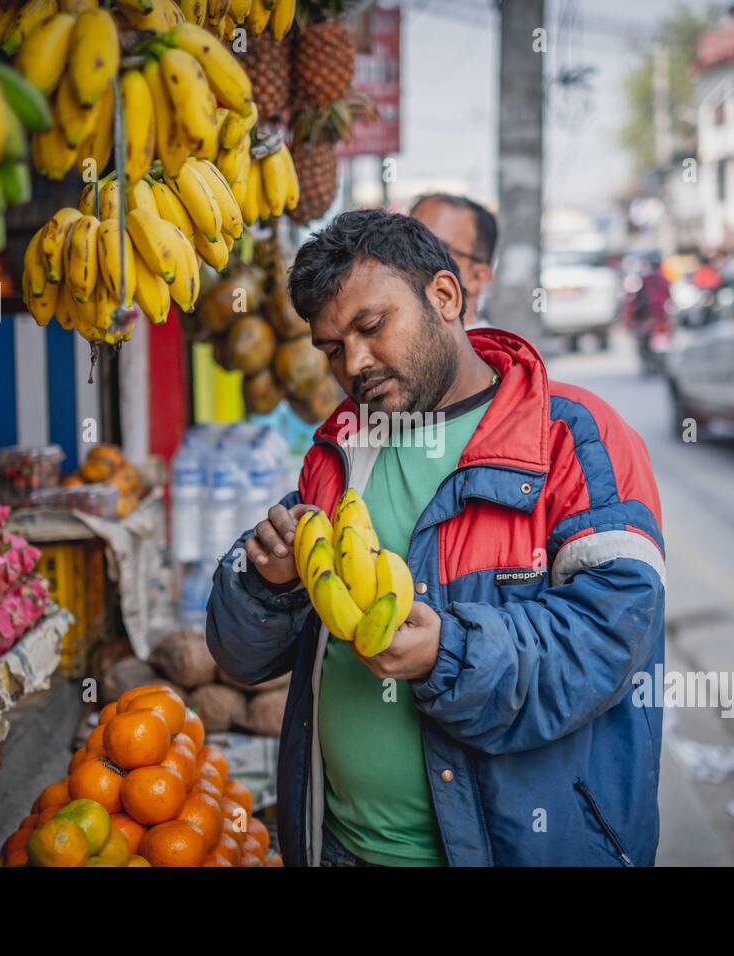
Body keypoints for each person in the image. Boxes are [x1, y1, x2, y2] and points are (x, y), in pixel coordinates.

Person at [206, 209, 666, 866]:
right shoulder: (341, 450)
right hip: (341, 848)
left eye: (372, 326)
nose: (355, 363)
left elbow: (614, 638)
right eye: (333, 348)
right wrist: (266, 587)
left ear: (445, 297)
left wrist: (449, 653)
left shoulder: (574, 438)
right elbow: (239, 659)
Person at [409, 193, 497, 327]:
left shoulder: (482, 348)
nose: (407, 256)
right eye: (404, 241)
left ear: (477, 277)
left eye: (429, 247)